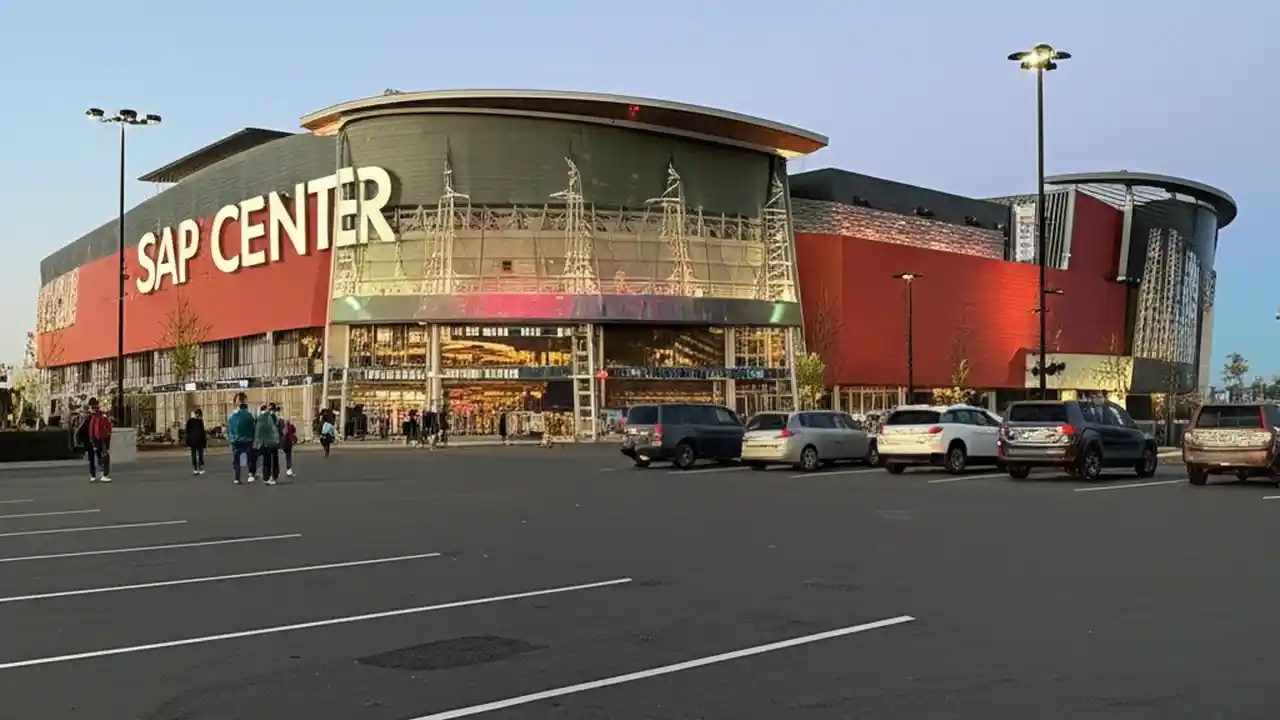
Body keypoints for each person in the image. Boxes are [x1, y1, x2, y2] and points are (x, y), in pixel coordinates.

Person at [79, 397, 113, 484]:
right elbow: (106, 429)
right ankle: (102, 475)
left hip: (92, 439)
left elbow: (83, 429)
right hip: (97, 439)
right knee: (101, 456)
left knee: (94, 457)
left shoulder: (89, 417)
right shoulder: (98, 416)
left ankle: (94, 475)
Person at [227, 398, 257, 485]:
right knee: (250, 457)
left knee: (236, 459)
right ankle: (250, 474)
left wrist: (231, 439)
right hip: (247, 440)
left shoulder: (233, 416)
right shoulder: (250, 416)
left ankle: (237, 478)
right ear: (246, 408)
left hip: (236, 440)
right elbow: (253, 428)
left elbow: (230, 428)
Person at [255, 404, 281, 485]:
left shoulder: (262, 417)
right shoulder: (272, 417)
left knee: (266, 460)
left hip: (264, 441)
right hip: (271, 441)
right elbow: (275, 429)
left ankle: (266, 477)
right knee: (273, 460)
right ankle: (272, 476)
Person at [276, 405, 298, 477]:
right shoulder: (286, 421)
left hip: (276, 440)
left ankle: (275, 471)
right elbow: (291, 430)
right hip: (286, 440)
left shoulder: (273, 419)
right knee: (288, 455)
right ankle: (289, 469)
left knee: (275, 456)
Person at [185, 408, 207, 475]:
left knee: (193, 455)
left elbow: (187, 432)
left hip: (192, 441)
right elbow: (203, 432)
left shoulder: (189, 421)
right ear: (199, 414)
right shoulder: (200, 422)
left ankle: (195, 469)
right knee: (200, 454)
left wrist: (187, 442)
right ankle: (200, 468)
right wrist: (204, 444)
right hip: (199, 440)